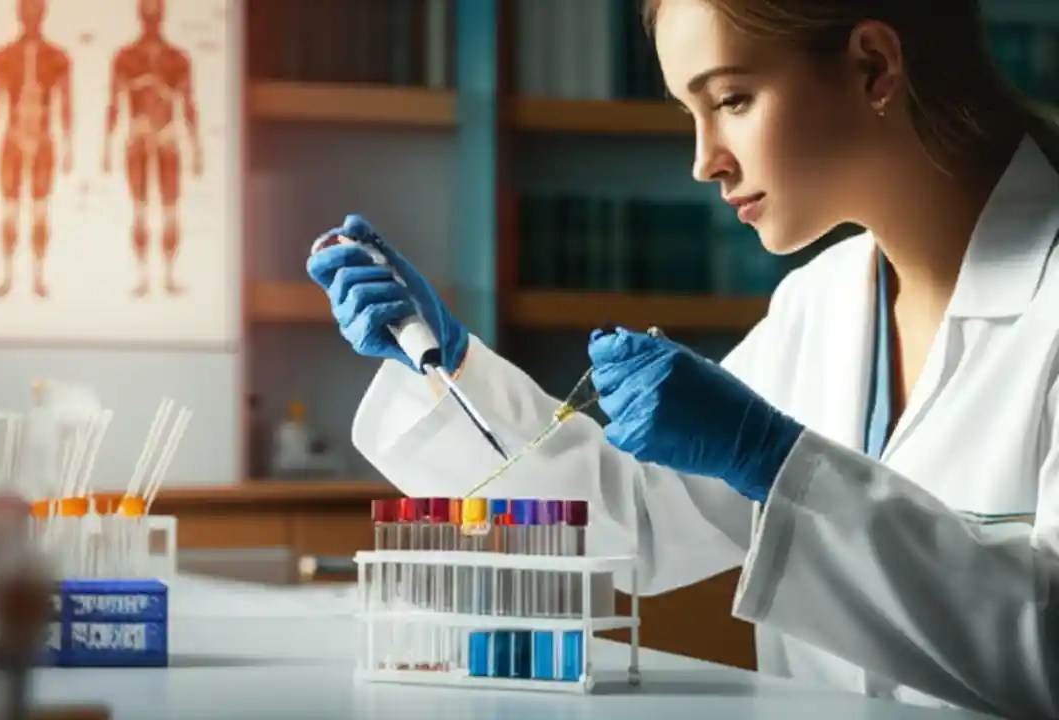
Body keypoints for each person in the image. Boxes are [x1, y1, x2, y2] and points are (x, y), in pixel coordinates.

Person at [306, 0, 1059, 716]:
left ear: (872, 66)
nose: (704, 162)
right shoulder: (822, 303)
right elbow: (635, 520)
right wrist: (450, 368)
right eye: (689, 113)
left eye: (732, 99)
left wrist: (774, 460)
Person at [103, 0, 204, 298]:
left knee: (170, 210)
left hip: (167, 139)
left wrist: (196, 148)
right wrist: (107, 147)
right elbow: (114, 104)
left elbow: (188, 105)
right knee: (140, 210)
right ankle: (143, 276)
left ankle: (169, 275)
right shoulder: (125, 57)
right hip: (138, 138)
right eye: (147, 11)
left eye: (155, 10)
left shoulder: (178, 58)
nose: (150, 16)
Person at [0, 0, 73, 299]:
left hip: (43, 139)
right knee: (9, 210)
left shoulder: (57, 58)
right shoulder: (4, 56)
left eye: (36, 11)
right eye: (27, 11)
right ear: (20, 14)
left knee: (39, 210)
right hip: (13, 137)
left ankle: (38, 276)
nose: (31, 17)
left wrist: (68, 145)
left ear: (43, 13)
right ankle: (8, 274)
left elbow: (65, 104)